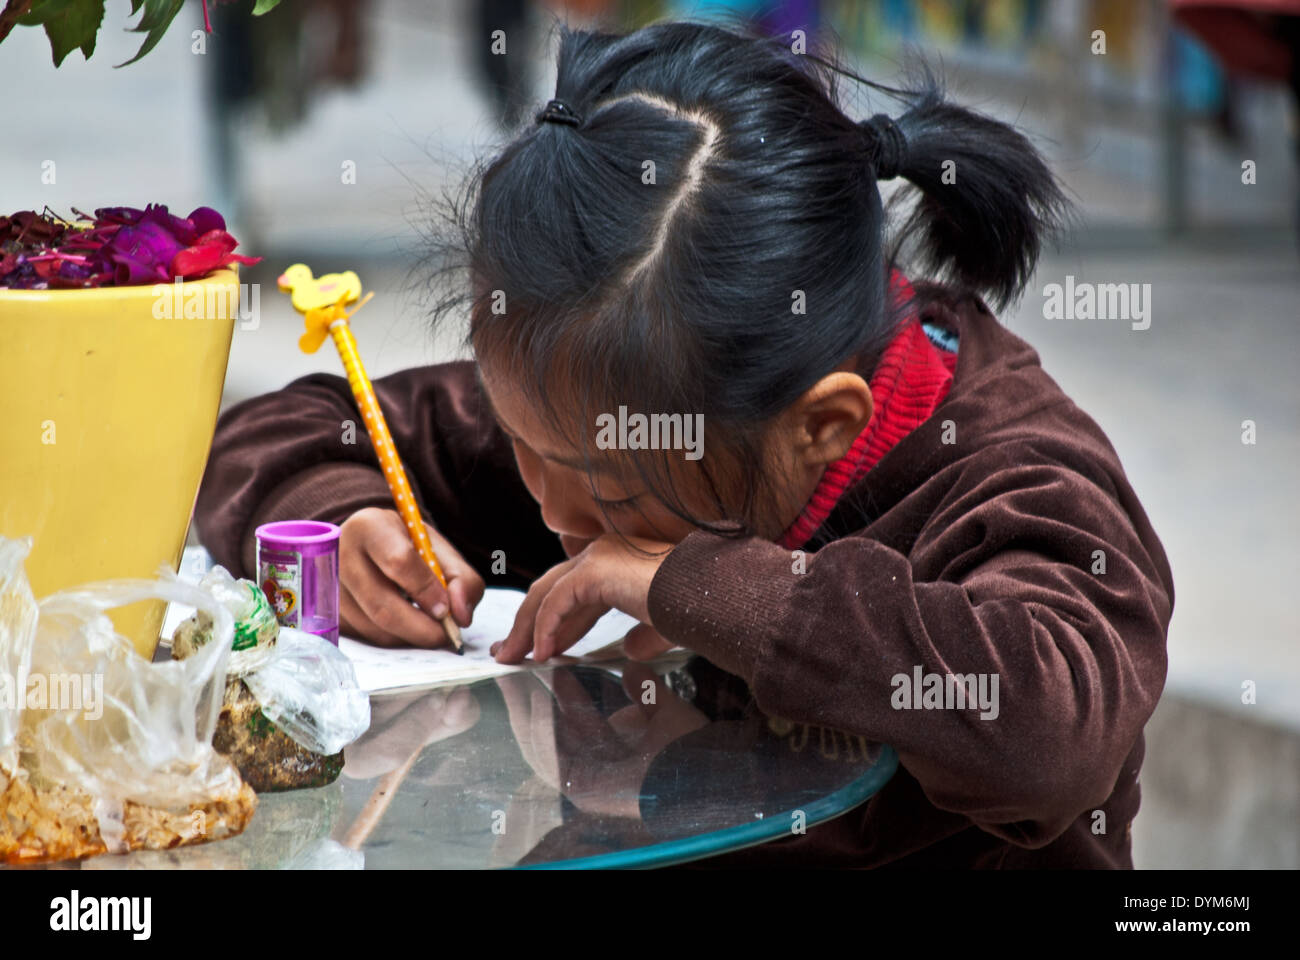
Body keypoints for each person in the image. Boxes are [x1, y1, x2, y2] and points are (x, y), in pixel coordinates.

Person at [194, 20, 1174, 868]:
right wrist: (347, 516)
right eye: (526, 445)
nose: (551, 510)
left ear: (821, 425)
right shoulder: (601, 430)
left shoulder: (1014, 475)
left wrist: (692, 584)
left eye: (613, 498)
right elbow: (270, 435)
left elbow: (1051, 729)